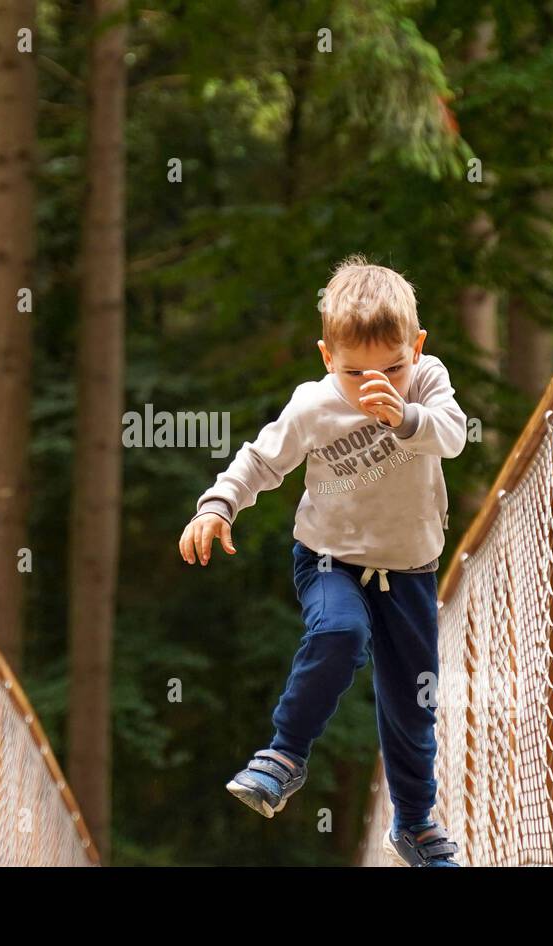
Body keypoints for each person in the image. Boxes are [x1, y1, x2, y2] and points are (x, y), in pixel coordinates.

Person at [178, 254, 467, 866]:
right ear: (326, 357)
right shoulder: (314, 404)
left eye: (392, 365)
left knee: (414, 703)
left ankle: (414, 823)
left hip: (411, 570)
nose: (375, 385)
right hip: (330, 559)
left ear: (416, 346)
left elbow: (453, 434)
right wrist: (218, 506)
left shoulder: (426, 381)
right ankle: (284, 755)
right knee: (340, 631)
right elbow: (262, 460)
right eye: (356, 372)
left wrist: (406, 414)